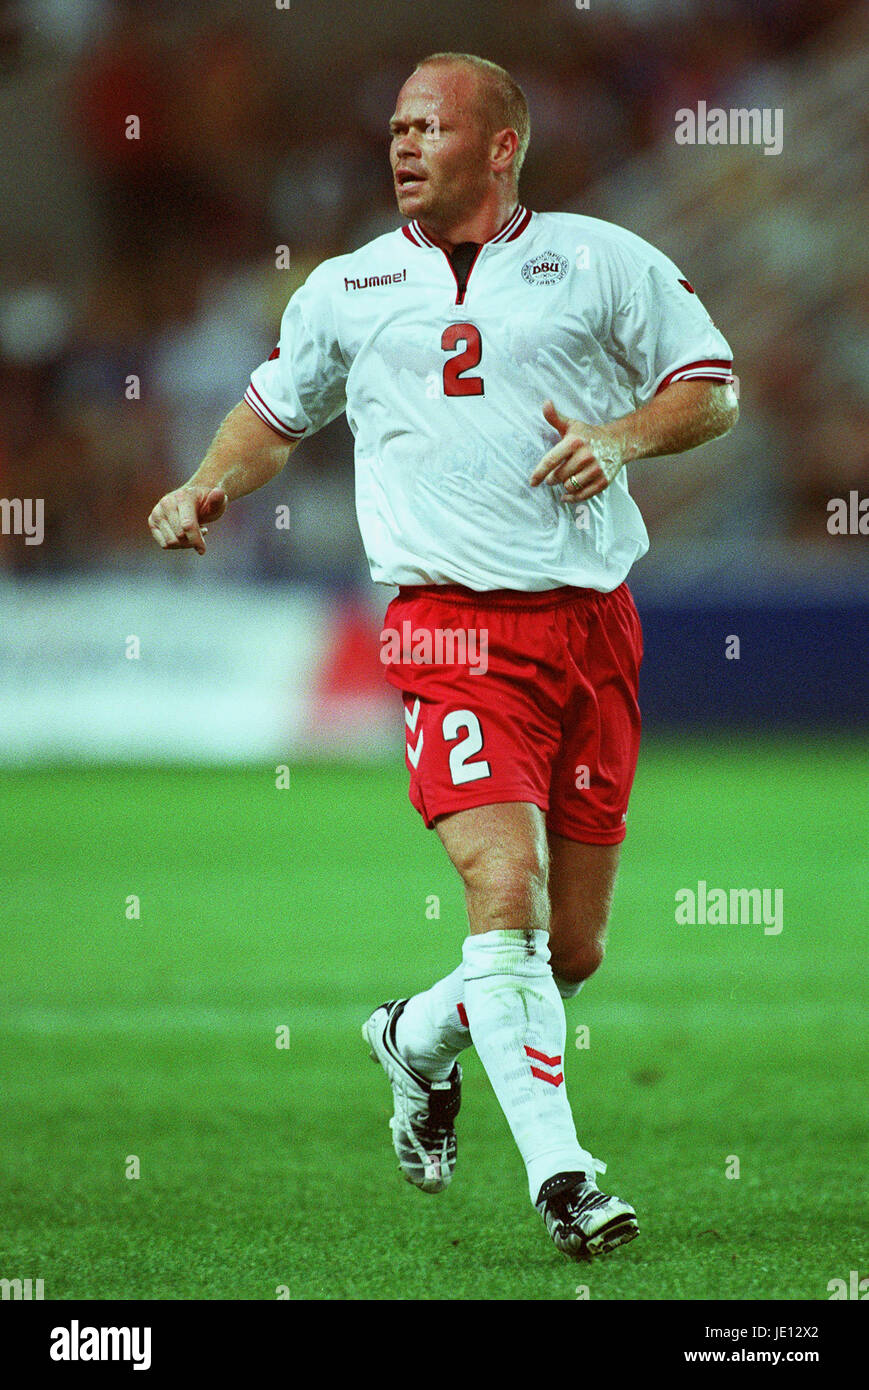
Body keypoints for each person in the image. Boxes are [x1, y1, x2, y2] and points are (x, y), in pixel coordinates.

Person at [148, 52, 737, 1262]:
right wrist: (207, 483)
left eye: (428, 126)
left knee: (566, 951)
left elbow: (710, 388)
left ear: (501, 144)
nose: (401, 146)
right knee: (502, 896)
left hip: (589, 629)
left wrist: (619, 440)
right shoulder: (348, 288)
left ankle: (414, 1035)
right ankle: (567, 1179)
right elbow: (271, 415)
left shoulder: (599, 258)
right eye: (396, 128)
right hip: (445, 631)